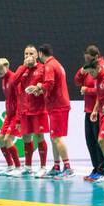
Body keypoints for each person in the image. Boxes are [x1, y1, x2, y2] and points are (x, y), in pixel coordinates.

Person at [30, 44, 72, 178]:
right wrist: (40, 89)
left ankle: (68, 168)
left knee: (56, 138)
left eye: (37, 54)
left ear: (41, 54)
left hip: (57, 106)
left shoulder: (48, 65)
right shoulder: (56, 63)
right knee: (54, 138)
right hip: (57, 105)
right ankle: (56, 166)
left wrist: (38, 88)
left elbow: (49, 84)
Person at [74, 46, 104, 181]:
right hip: (89, 110)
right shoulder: (89, 68)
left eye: (88, 59)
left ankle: (103, 169)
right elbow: (76, 81)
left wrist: (87, 90)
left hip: (99, 111)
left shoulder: (103, 69)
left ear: (95, 57)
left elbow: (103, 92)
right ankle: (96, 168)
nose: (86, 61)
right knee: (90, 141)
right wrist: (82, 71)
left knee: (98, 142)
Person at [17, 46, 48, 176]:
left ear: (37, 55)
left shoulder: (43, 68)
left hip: (39, 110)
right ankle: (28, 166)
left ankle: (43, 166)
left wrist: (39, 89)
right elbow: (14, 83)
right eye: (26, 53)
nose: (28, 55)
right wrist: (23, 67)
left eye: (31, 53)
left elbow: (49, 85)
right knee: (26, 138)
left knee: (39, 137)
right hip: (25, 110)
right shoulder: (21, 69)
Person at [0, 58, 22, 175]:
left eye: (1, 68)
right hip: (9, 115)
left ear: (7, 66)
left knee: (7, 139)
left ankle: (18, 167)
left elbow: (19, 100)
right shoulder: (3, 80)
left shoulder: (14, 78)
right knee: (0, 140)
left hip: (16, 115)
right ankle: (10, 166)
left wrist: (18, 119)